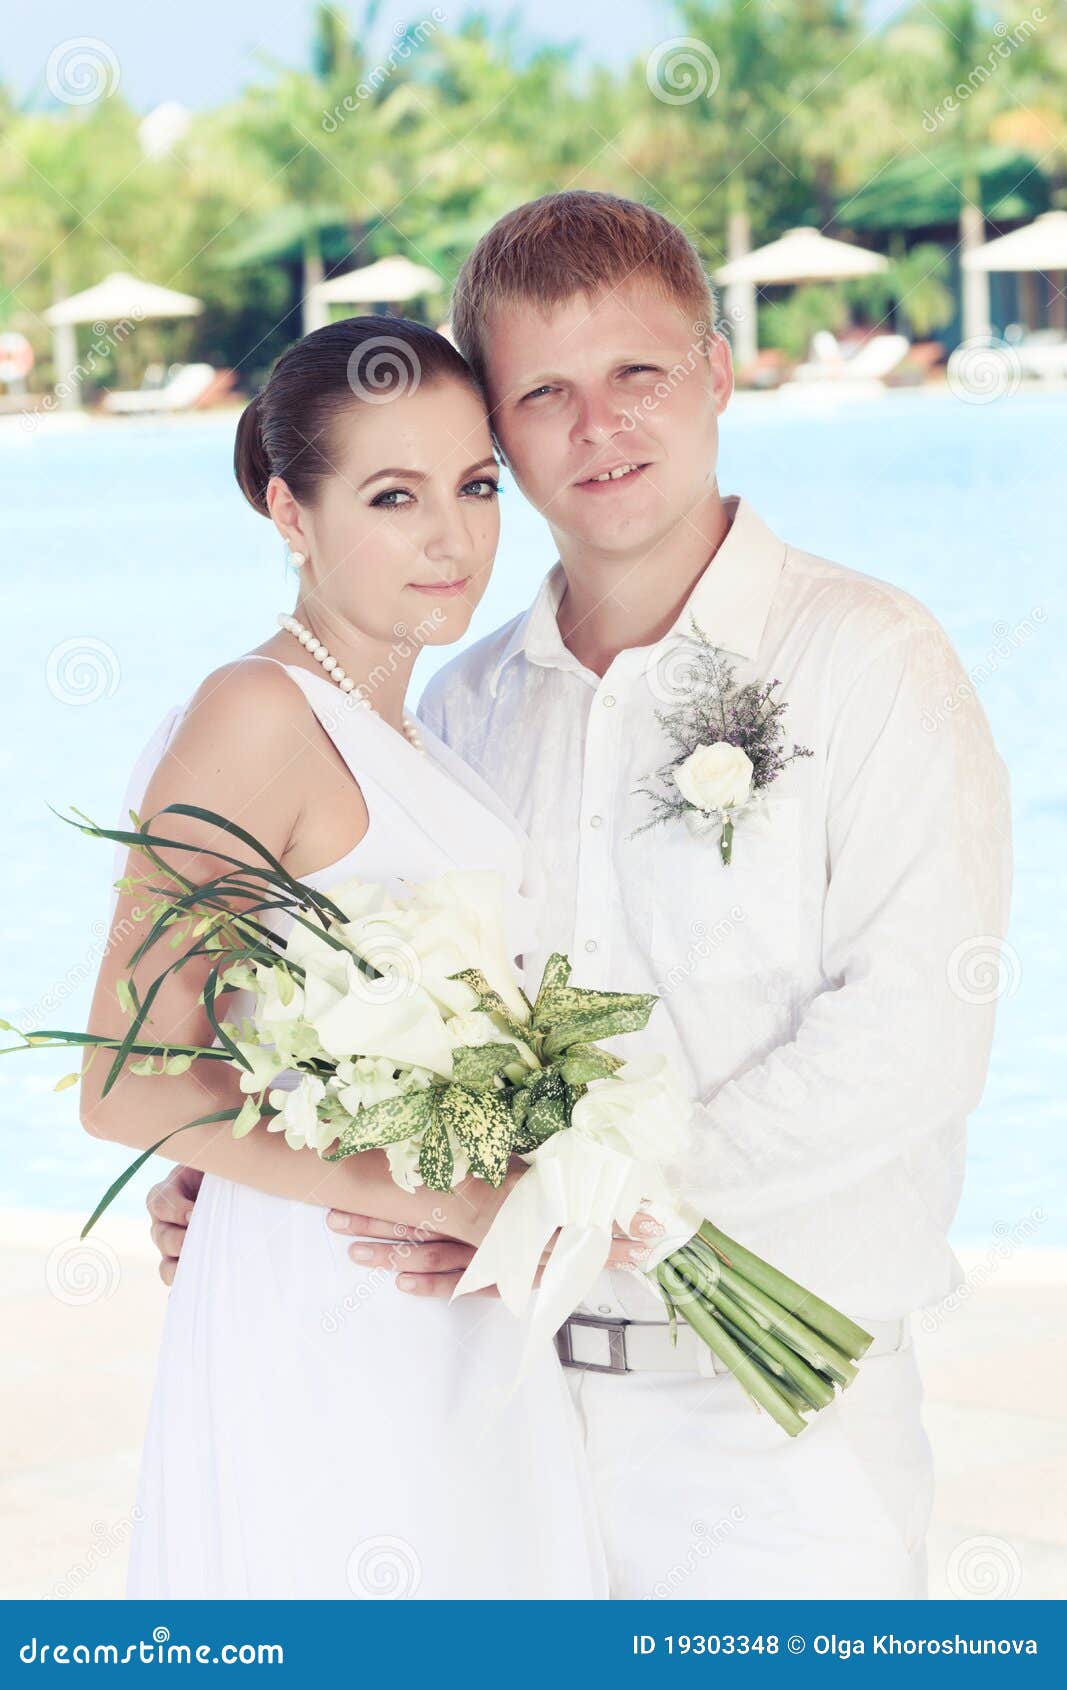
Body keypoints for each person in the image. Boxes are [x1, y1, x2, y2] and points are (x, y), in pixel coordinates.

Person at [149, 192, 1013, 1599]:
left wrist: (580, 1200)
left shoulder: (869, 658)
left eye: (637, 375)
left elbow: (915, 1034)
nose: (597, 428)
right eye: (542, 394)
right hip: (498, 1403)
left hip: (776, 1426)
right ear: (495, 431)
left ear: (718, 374)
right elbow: (399, 1017)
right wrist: (260, 1171)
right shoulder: (464, 707)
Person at [84, 313, 658, 1599]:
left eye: (474, 486)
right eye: (393, 496)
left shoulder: (413, 730)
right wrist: (452, 1198)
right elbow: (128, 1081)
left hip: (448, 1307)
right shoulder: (256, 714)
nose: (452, 538)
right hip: (333, 1304)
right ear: (289, 512)